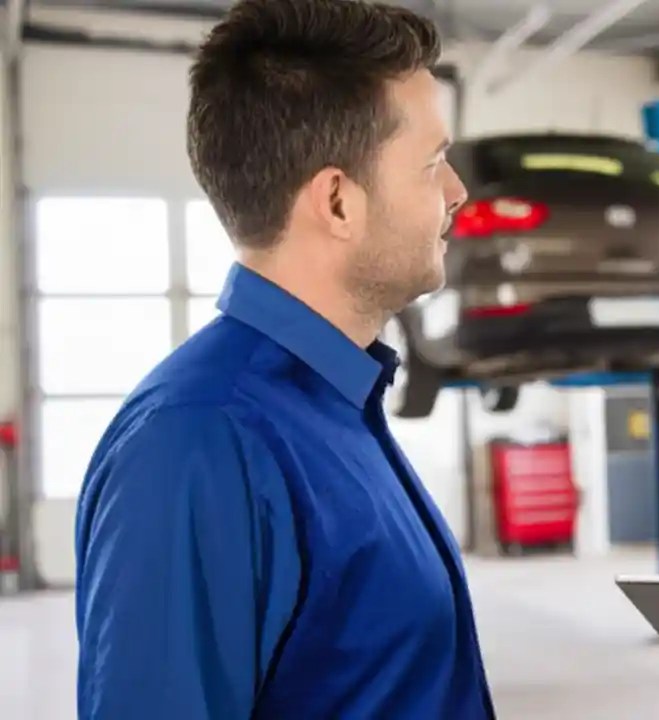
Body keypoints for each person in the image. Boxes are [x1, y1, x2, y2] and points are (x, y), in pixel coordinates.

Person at [73, 1, 492, 717]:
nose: (457, 193)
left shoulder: (335, 404)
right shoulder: (199, 441)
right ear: (336, 201)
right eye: (433, 163)